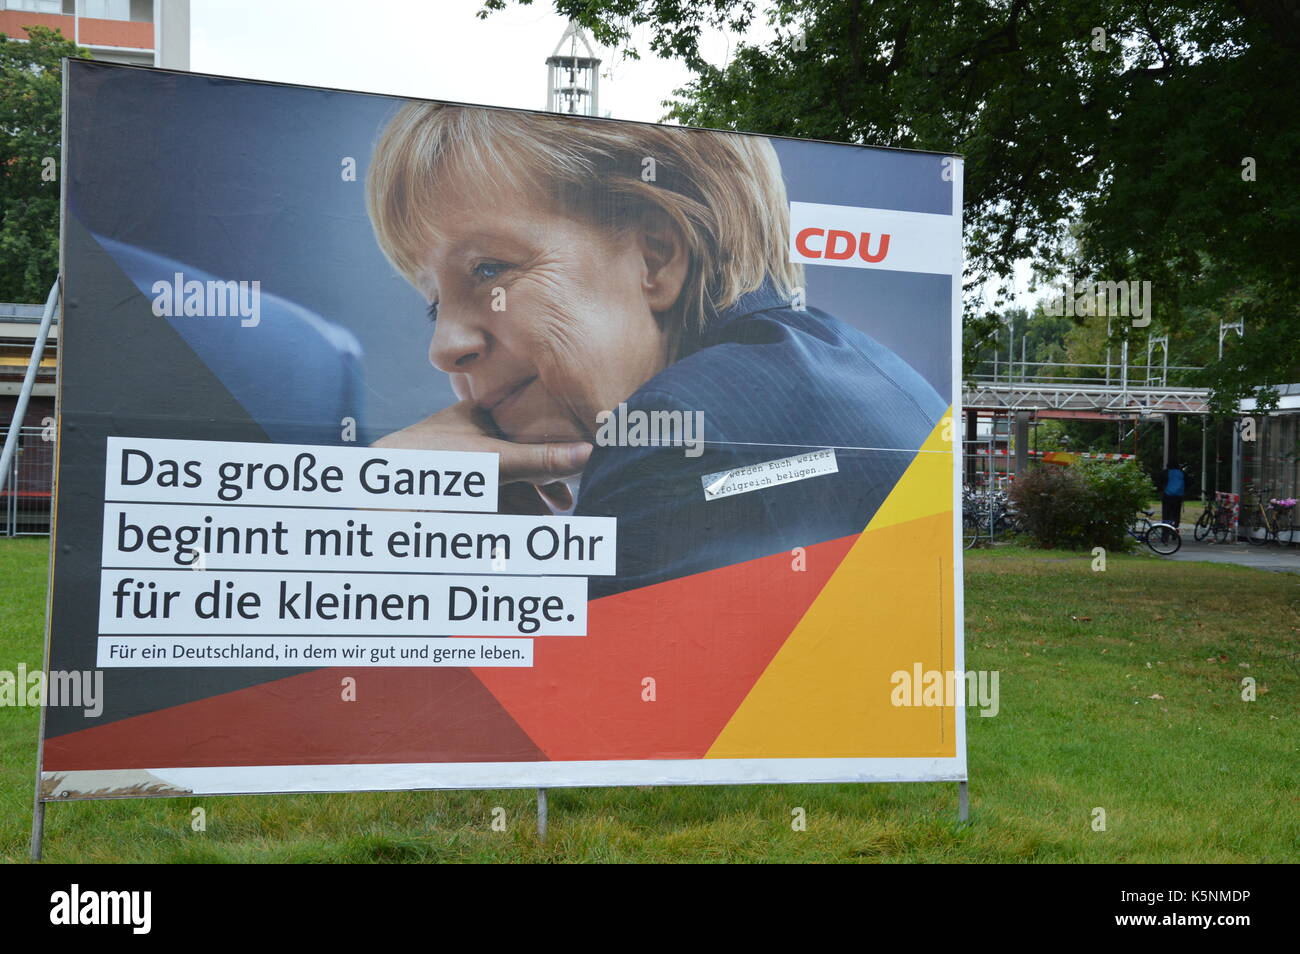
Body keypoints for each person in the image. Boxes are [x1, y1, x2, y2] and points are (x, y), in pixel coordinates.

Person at [365, 103, 946, 596]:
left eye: (489, 270)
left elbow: (547, 724)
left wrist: (376, 538)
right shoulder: (848, 365)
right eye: (434, 303)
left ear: (657, 256)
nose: (445, 347)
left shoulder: (675, 442)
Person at [1156, 460, 1187, 527]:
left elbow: (1158, 483)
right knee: (1176, 514)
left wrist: (1161, 490)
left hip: (1167, 496)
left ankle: (1165, 532)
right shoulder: (1182, 473)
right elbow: (1190, 481)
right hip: (1178, 497)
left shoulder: (1165, 473)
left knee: (1166, 515)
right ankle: (1175, 531)